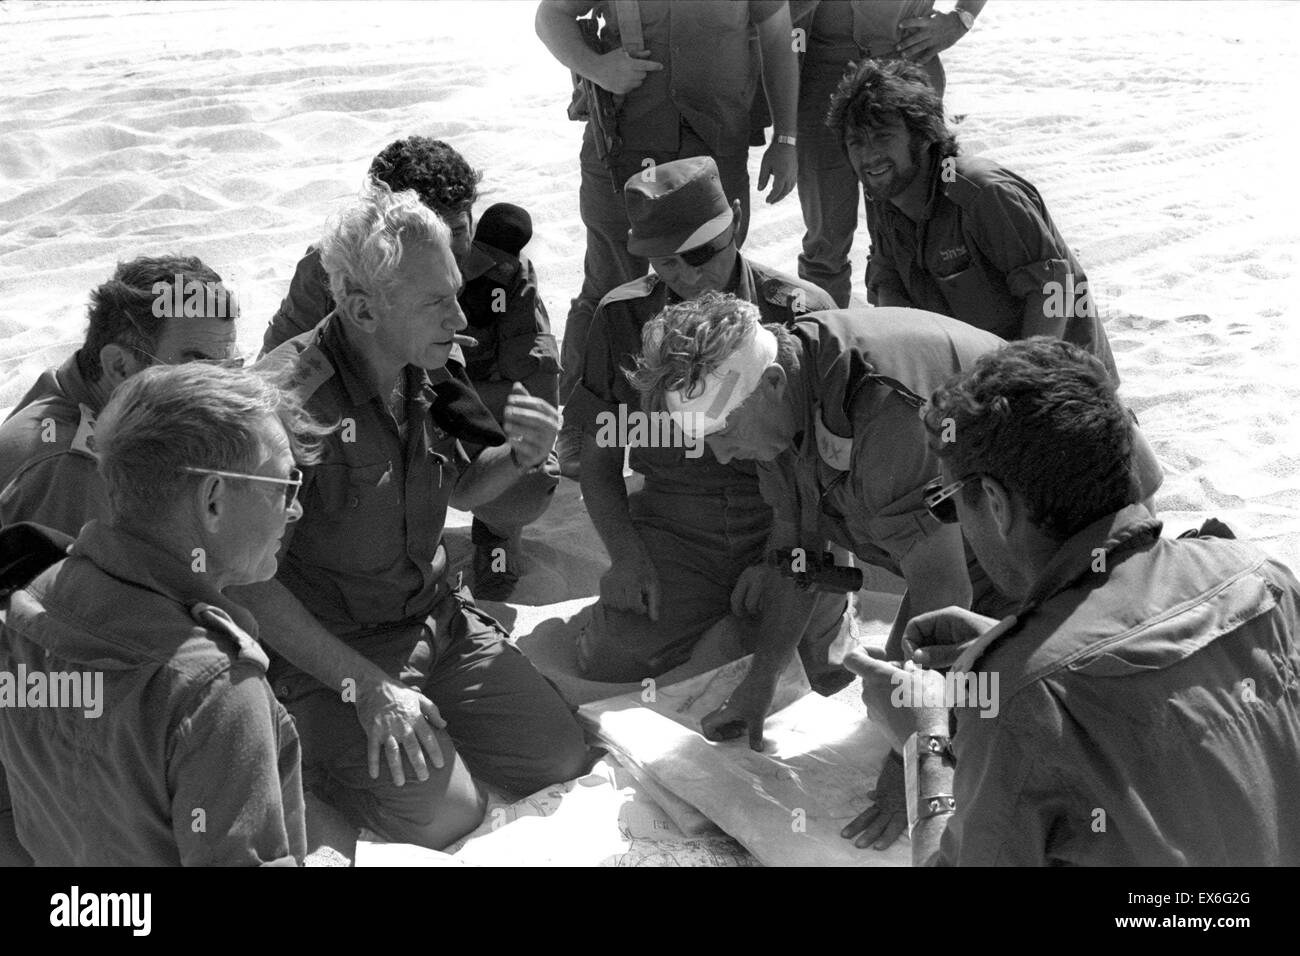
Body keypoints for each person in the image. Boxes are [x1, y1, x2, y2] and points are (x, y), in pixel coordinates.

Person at [848, 338, 1300, 865]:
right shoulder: (1264, 579)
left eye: (949, 505)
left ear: (995, 503)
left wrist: (925, 737)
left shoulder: (1021, 704)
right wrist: (1024, 644)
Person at [247, 182, 589, 852]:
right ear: (362, 309)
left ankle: (408, 737)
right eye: (437, 302)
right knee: (445, 816)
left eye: (455, 293)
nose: (460, 320)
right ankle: (305, 750)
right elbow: (244, 582)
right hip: (335, 651)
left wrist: (521, 455)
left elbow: (465, 488)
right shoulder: (284, 409)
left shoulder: (433, 362)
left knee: (559, 760)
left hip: (437, 618)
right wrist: (368, 689)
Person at [628, 294, 1005, 744]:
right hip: (969, 542)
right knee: (891, 693)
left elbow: (945, 589)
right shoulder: (781, 399)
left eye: (724, 433)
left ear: (771, 384)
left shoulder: (884, 408)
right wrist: (761, 684)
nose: (723, 456)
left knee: (962, 717)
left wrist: (910, 763)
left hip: (1040, 545)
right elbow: (798, 560)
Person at [0, 363, 320, 865]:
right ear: (213, 500)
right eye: (284, 485)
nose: (294, 509)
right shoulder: (217, 687)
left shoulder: (33, 602)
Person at [566, 156, 844, 685]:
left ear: (735, 219)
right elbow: (599, 463)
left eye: (701, 254)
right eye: (667, 264)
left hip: (787, 522)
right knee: (614, 656)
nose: (690, 277)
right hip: (676, 531)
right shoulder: (620, 318)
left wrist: (778, 559)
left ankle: (736, 631)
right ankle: (720, 630)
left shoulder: (803, 312)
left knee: (810, 660)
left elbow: (830, 476)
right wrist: (625, 558)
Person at [263, 137, 560, 599]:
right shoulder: (332, 270)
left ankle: (492, 537)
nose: (443, 248)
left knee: (528, 482)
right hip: (360, 416)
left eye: (457, 230)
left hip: (456, 419)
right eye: (423, 231)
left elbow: (534, 393)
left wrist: (451, 396)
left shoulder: (504, 278)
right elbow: (280, 381)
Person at [535, 0, 802, 474]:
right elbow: (550, 16)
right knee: (607, 286)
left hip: (714, 144)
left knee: (711, 288)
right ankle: (582, 425)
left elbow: (778, 36)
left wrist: (787, 138)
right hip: (621, 142)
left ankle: (713, 421)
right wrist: (598, 66)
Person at [827, 59, 1118, 379]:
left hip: (1059, 381)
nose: (869, 156)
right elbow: (889, 290)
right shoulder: (886, 196)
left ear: (923, 136)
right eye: (857, 142)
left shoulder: (982, 194)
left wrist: (1017, 381)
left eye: (883, 137)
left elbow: (1055, 288)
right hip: (970, 381)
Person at [0, 255, 240, 535]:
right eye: (200, 370)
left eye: (231, 369)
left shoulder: (79, 391)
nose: (222, 388)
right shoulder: (78, 473)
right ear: (119, 366)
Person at [790, 1, 986, 306]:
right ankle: (826, 338)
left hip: (904, 64)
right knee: (825, 236)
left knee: (912, 223)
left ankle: (910, 338)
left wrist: (961, 19)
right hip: (820, 71)